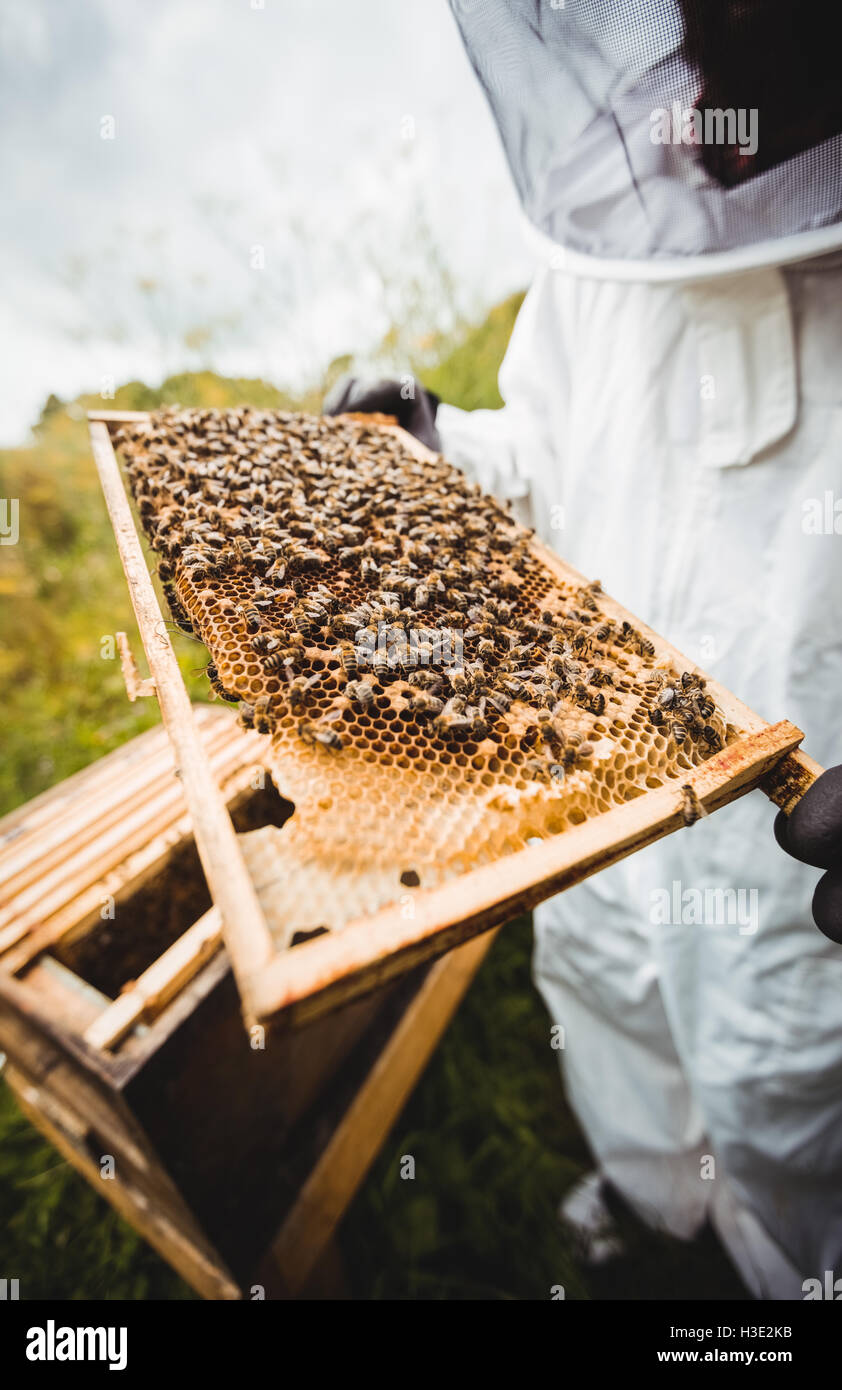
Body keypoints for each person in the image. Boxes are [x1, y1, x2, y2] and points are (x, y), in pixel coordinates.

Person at [327, 3, 842, 1298]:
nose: (687, 103)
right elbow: (546, 464)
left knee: (789, 1106)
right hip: (593, 808)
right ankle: (651, 1214)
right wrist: (441, 452)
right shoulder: (605, 246)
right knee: (614, 1017)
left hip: (792, 879)